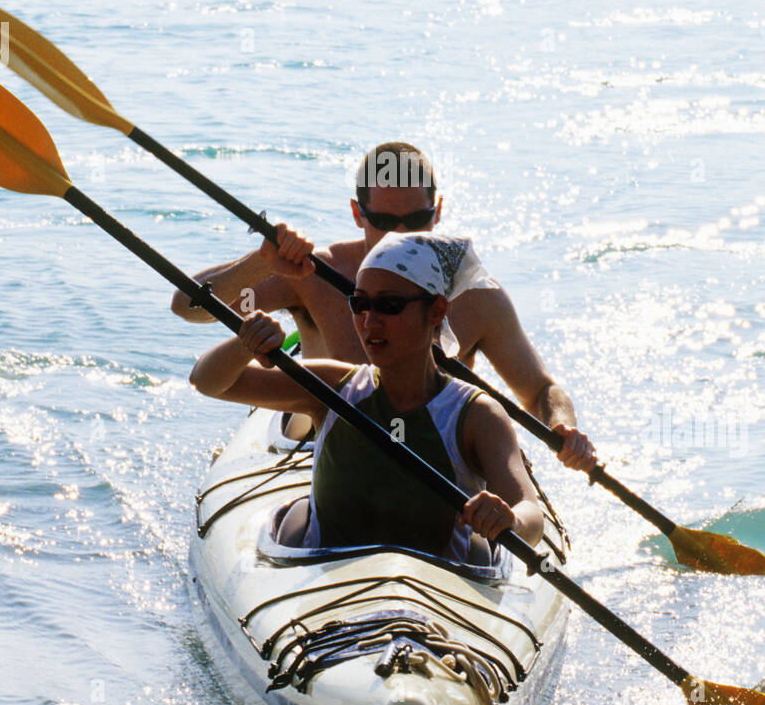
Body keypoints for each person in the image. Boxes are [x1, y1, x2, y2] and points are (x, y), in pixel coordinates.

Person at [173, 140, 597, 474]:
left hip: (438, 456)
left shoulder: (478, 299)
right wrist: (259, 263)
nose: (400, 236)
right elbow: (188, 307)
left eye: (416, 222)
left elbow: (540, 391)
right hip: (326, 447)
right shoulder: (312, 275)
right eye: (384, 222)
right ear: (358, 213)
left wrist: (562, 425)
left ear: (439, 211)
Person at [189, 234, 546, 560]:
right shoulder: (332, 387)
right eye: (360, 304)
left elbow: (531, 513)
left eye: (389, 306)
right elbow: (207, 381)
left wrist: (510, 521)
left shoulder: (476, 414)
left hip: (432, 593)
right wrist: (242, 345)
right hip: (326, 584)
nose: (369, 321)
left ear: (437, 311)